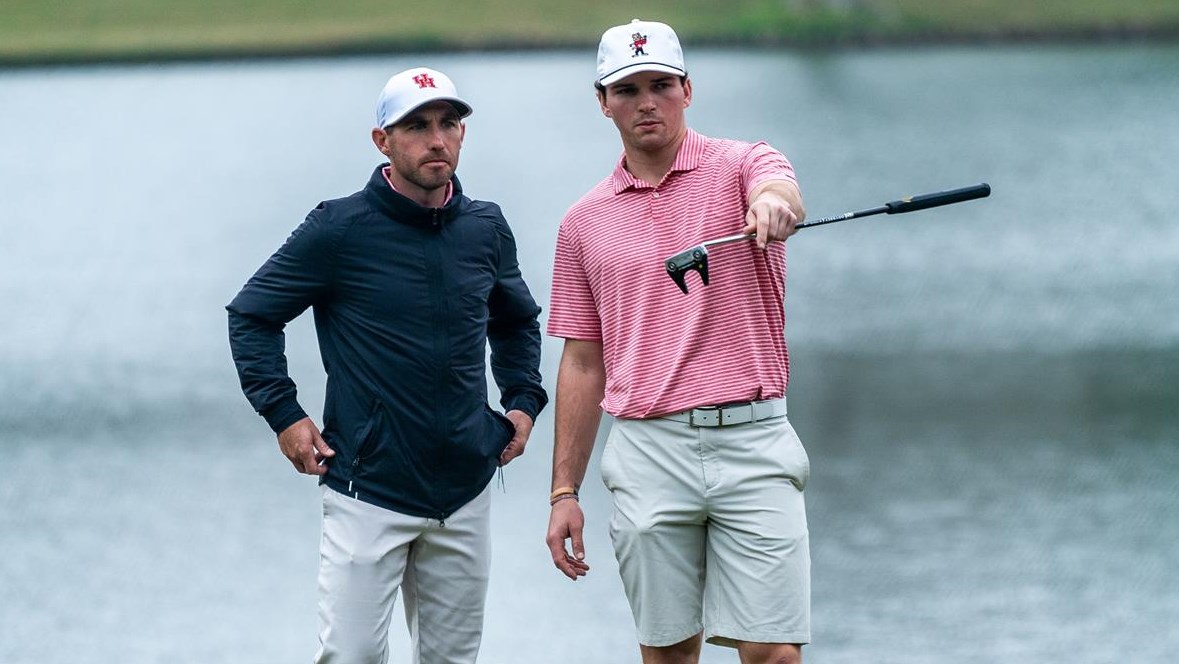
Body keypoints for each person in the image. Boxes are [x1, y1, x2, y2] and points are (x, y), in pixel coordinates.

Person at [227, 66, 547, 664]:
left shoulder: (485, 226)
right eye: (417, 126)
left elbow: (516, 319)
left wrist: (523, 402)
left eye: (449, 124)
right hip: (366, 488)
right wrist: (285, 417)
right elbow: (252, 315)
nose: (437, 139)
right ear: (383, 141)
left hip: (465, 487)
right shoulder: (338, 228)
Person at [544, 19, 811, 664]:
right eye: (627, 89)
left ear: (687, 90)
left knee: (772, 652)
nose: (646, 102)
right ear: (603, 103)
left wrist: (774, 206)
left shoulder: (744, 164)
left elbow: (781, 190)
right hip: (647, 449)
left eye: (660, 85)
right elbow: (582, 363)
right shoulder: (583, 221)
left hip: (753, 440)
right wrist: (563, 492)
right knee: (668, 654)